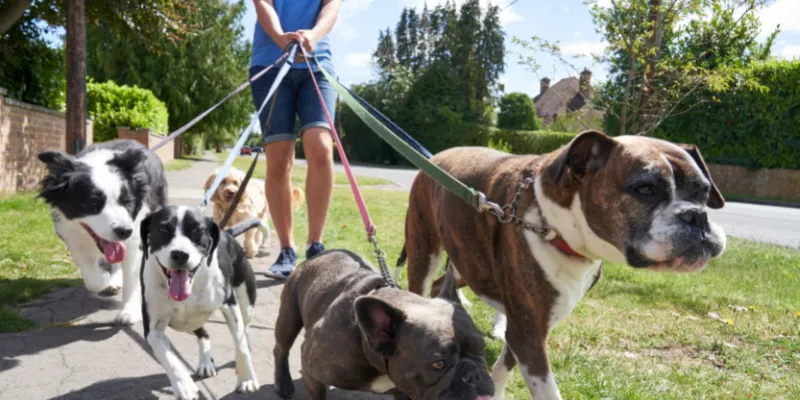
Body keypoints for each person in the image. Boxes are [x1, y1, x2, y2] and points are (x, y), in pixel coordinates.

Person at [250, 0, 341, 278]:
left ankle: (315, 246)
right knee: (278, 160)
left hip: (317, 63)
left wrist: (313, 35)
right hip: (270, 63)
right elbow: (263, 4)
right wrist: (280, 37)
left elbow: (331, 7)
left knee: (321, 148)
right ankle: (287, 249)